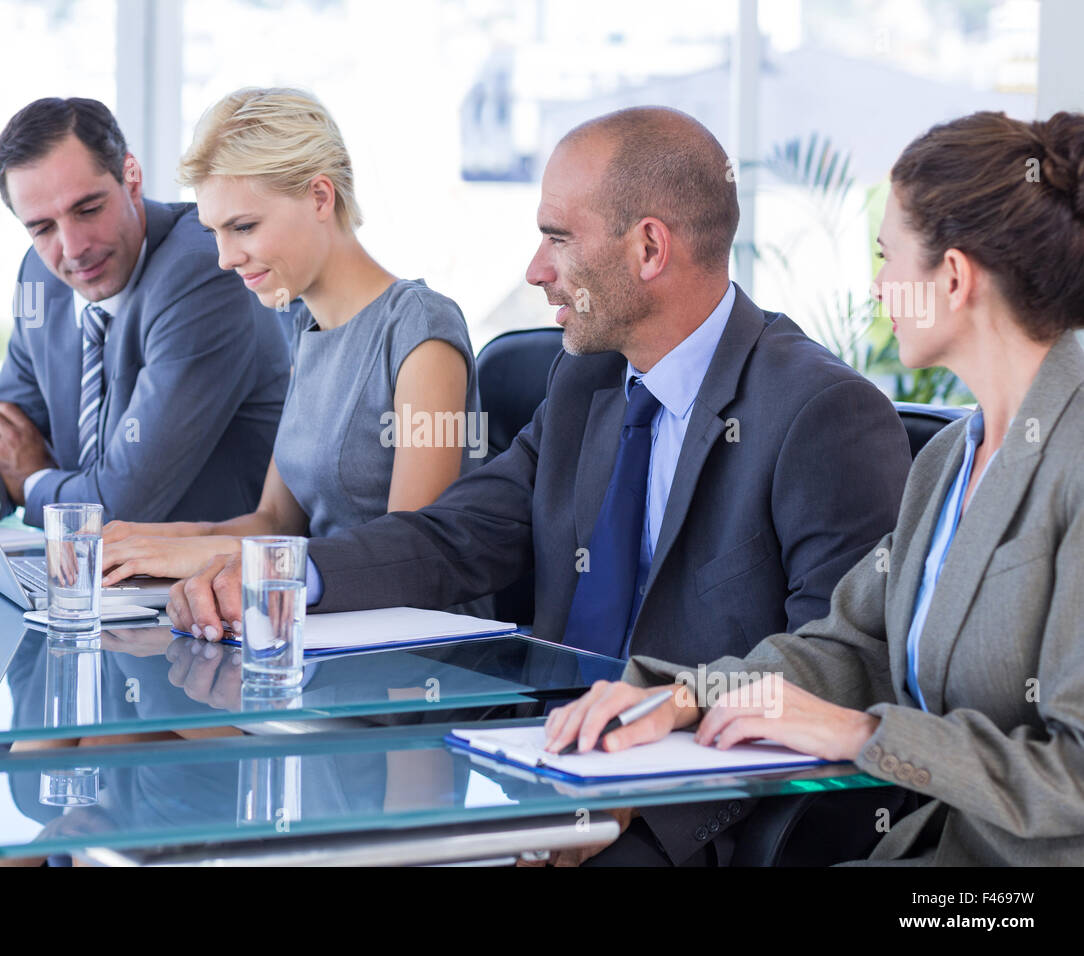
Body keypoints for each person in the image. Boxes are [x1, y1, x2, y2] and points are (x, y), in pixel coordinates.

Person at [168, 105, 914, 865]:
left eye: (558, 238)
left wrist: (635, 794)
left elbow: (835, 678)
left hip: (684, 814)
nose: (535, 269)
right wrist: (289, 577)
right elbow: (455, 537)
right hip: (537, 762)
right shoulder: (585, 383)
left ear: (649, 247)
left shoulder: (821, 414)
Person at [545, 110, 1084, 866]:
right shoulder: (953, 460)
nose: (876, 287)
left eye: (887, 256)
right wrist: (686, 695)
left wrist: (863, 735)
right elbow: (850, 645)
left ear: (953, 278)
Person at [99, 88, 485, 595]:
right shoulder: (302, 327)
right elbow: (274, 521)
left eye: (244, 227)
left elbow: (403, 556)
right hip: (313, 622)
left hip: (410, 653)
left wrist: (199, 552)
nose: (225, 258)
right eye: (215, 232)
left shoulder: (420, 329)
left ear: (320, 197)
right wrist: (146, 542)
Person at [0, 97, 288, 539]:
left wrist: (32, 480)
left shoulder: (203, 271)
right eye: (42, 227)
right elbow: (9, 418)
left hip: (208, 586)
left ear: (132, 179)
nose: (72, 248)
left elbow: (121, 507)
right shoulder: (38, 276)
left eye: (88, 210)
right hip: (99, 586)